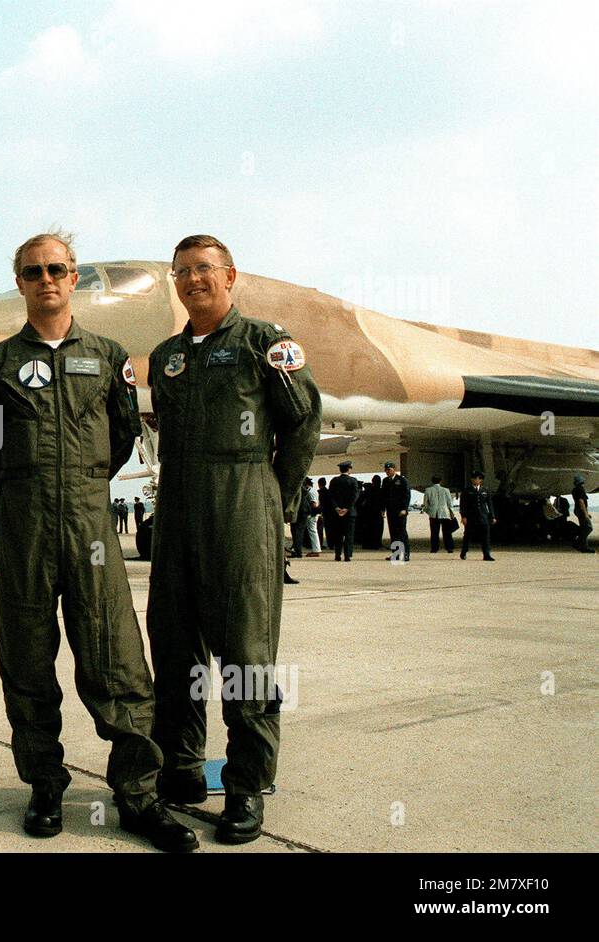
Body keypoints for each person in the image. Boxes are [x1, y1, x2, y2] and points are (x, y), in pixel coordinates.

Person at [0, 231, 196, 852]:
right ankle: (44, 786)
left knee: (117, 656)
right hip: (23, 525)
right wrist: (30, 483)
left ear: (73, 279)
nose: (47, 279)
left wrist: (85, 484)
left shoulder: (109, 354)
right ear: (20, 282)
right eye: (34, 270)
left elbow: (123, 435)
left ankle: (138, 794)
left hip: (92, 524)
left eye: (58, 269)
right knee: (27, 657)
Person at [146, 235, 321, 845]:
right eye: (183, 272)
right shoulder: (166, 355)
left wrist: (277, 498)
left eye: (204, 270)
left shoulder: (264, 343)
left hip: (242, 498)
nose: (193, 280)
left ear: (229, 276)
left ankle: (247, 786)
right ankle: (183, 767)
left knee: (245, 652)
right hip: (177, 507)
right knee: (172, 643)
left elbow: (302, 422)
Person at [327, 461, 361, 561]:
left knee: (338, 534)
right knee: (349, 535)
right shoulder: (353, 481)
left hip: (337, 513)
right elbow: (354, 496)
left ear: (340, 469)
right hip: (350, 513)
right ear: (349, 469)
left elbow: (331, 496)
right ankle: (347, 555)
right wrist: (347, 508)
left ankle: (337, 555)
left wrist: (336, 508)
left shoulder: (334, 481)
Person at [460, 470, 496, 561]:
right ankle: (464, 551)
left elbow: (489, 504)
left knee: (485, 536)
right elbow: (463, 504)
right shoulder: (467, 490)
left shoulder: (485, 490)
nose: (476, 480)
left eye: (478, 478)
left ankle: (486, 554)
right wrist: (463, 516)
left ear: (481, 480)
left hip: (483, 516)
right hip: (471, 516)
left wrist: (492, 516)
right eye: (474, 478)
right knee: (468, 535)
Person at [379, 461, 412, 561]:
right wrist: (382, 509)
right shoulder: (385, 481)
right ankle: (396, 554)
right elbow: (383, 496)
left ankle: (405, 554)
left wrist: (404, 509)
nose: (387, 471)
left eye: (389, 469)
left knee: (401, 532)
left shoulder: (402, 480)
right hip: (390, 511)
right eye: (386, 470)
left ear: (394, 469)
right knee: (393, 533)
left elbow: (406, 495)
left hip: (400, 511)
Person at [422, 475, 457, 553]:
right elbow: (449, 503)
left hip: (434, 513)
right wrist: (452, 512)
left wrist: (428, 511)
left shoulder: (428, 490)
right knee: (447, 532)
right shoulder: (446, 490)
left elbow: (425, 504)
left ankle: (434, 548)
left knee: (434, 532)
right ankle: (449, 547)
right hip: (444, 513)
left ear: (432, 481)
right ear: (441, 481)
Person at [572, 475, 594, 553]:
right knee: (588, 528)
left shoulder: (574, 490)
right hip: (581, 510)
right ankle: (579, 543)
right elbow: (581, 502)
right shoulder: (580, 489)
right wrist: (586, 514)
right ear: (582, 482)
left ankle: (584, 546)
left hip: (578, 510)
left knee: (584, 527)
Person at [316, 476, 330, 552]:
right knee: (329, 529)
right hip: (328, 513)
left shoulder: (320, 492)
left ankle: (320, 544)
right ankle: (330, 543)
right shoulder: (328, 492)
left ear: (319, 484)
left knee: (320, 530)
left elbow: (321, 504)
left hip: (322, 512)